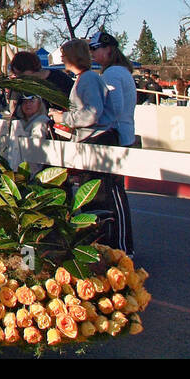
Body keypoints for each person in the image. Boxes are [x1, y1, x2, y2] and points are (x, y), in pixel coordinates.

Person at [59, 38, 132, 255]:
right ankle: (109, 248)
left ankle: (116, 248)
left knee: (104, 197)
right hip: (97, 140)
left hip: (99, 141)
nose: (62, 58)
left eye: (96, 48)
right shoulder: (90, 77)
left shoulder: (93, 78)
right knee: (99, 197)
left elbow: (95, 112)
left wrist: (64, 117)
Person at [89, 30, 137, 148]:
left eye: (94, 48)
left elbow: (114, 109)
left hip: (116, 137)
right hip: (125, 135)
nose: (91, 52)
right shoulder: (121, 70)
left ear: (108, 49)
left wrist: (91, 123)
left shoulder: (112, 73)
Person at [0, 91, 56, 173]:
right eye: (25, 102)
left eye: (31, 102)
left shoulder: (41, 121)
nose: (28, 104)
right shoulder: (20, 122)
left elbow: (36, 147)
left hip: (30, 169)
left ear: (39, 104)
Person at [8, 50, 74, 102]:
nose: (20, 78)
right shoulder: (23, 87)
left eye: (21, 75)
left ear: (31, 68)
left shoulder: (61, 79)